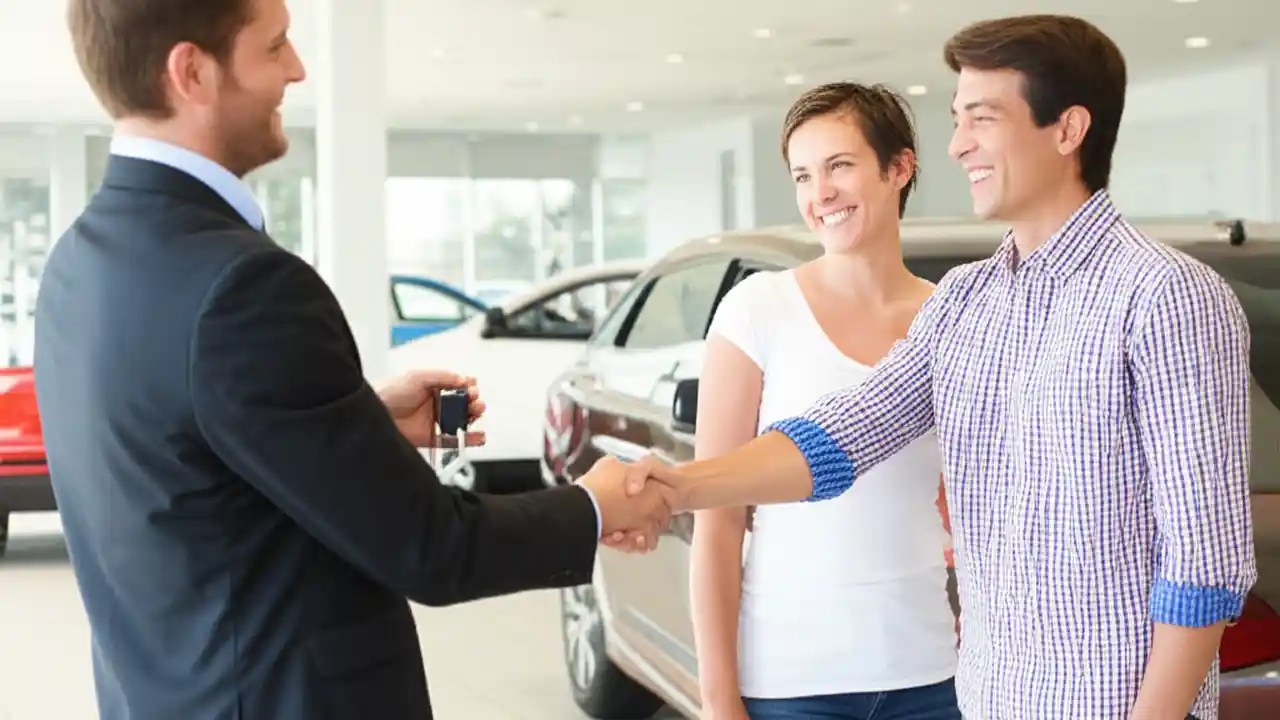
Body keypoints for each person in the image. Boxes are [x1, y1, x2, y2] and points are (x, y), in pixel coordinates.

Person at [34, 1, 670, 719]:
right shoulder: (243, 285)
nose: (297, 70)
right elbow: (432, 547)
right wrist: (594, 505)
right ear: (192, 72)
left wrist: (356, 427)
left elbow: (182, 477)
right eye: (274, 47)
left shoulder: (78, 262)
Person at [620, 14, 1255, 720]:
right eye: (957, 121)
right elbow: (842, 436)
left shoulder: (1168, 296)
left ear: (1068, 130)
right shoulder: (964, 300)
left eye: (981, 119)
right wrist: (675, 486)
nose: (957, 146)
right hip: (986, 700)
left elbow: (1205, 563)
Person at [689, 82, 959, 720]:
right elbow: (719, 521)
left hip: (929, 674)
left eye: (839, 166)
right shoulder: (758, 309)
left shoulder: (949, 317)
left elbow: (976, 505)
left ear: (899, 167)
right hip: (790, 682)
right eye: (803, 176)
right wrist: (719, 700)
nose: (821, 194)